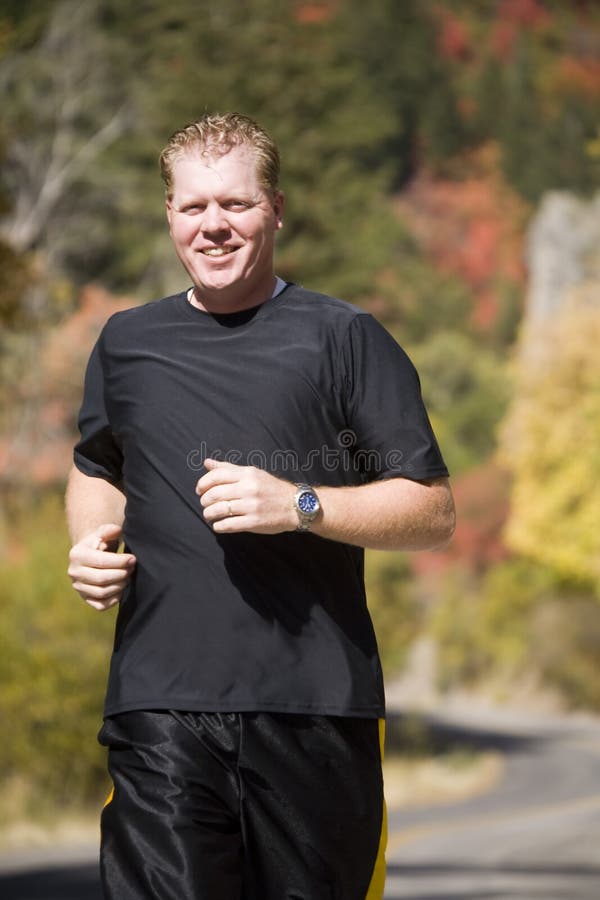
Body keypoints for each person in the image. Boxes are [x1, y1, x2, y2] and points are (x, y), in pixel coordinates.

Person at [66, 112, 454, 900]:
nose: (214, 226)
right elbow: (96, 466)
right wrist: (90, 543)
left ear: (276, 208)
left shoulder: (344, 337)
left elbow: (432, 510)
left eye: (236, 205)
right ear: (168, 213)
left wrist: (301, 504)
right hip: (160, 703)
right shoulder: (126, 342)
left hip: (314, 711)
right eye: (193, 206)